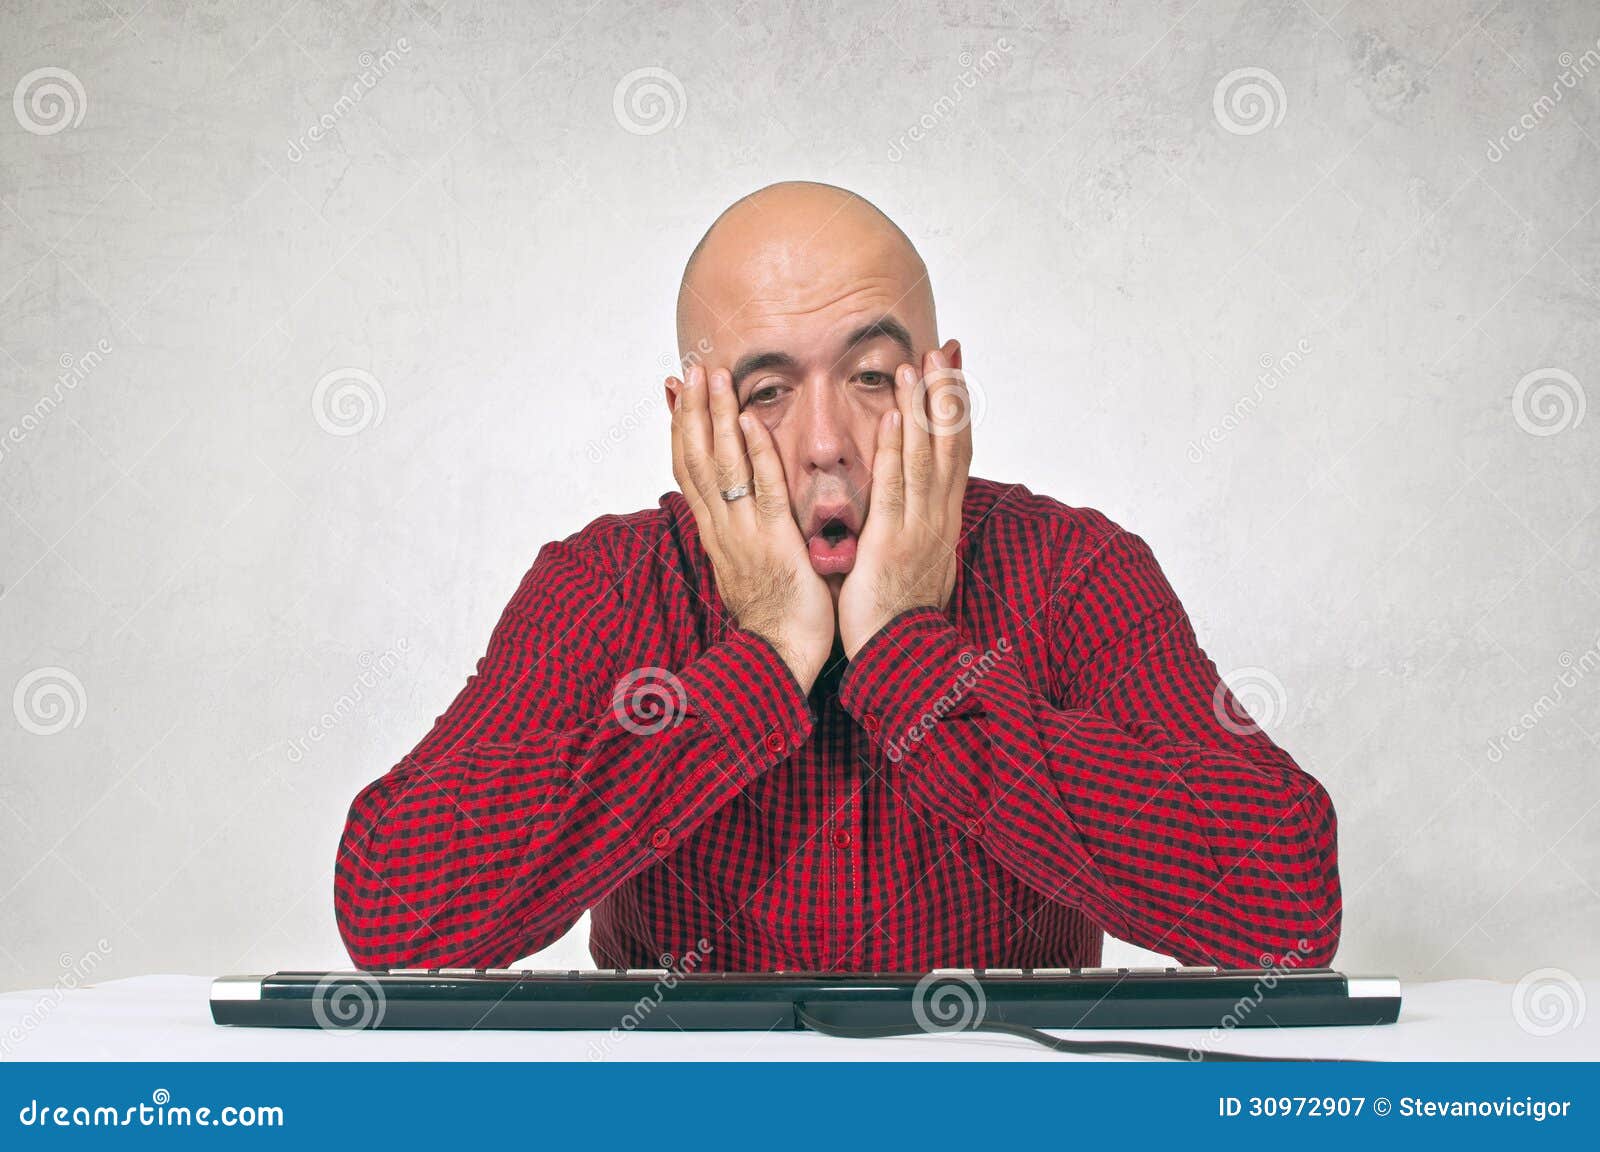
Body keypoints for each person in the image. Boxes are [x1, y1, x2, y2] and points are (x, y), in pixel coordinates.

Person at [333, 180, 1341, 973]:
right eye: (768, 391)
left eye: (869, 377)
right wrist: (763, 656)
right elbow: (393, 909)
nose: (825, 443)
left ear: (939, 388)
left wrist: (911, 653)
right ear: (694, 422)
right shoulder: (606, 587)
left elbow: (1286, 904)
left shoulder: (1072, 570)